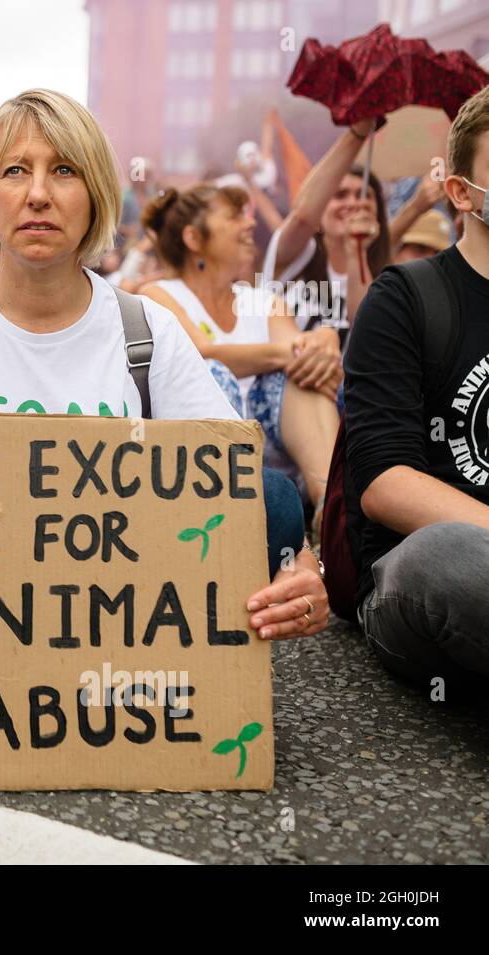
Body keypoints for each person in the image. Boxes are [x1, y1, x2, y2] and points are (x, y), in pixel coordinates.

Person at [0, 88, 328, 670]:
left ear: (97, 195)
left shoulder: (145, 331)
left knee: (273, 499)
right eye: (15, 170)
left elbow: (235, 483)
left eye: (65, 171)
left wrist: (299, 565)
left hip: (119, 603)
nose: (38, 195)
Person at [343, 84, 489, 694]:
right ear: (461, 193)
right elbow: (383, 481)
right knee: (451, 556)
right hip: (415, 580)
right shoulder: (406, 296)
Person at [139, 184, 341, 522]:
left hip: (282, 456)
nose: (250, 225)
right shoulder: (159, 294)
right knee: (213, 371)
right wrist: (302, 348)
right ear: (193, 239)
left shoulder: (266, 302)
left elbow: (302, 357)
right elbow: (202, 352)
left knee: (304, 375)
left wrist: (322, 344)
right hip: (212, 467)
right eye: (234, 217)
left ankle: (331, 510)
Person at [262, 119, 391, 338]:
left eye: (364, 196)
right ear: (319, 214)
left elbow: (366, 329)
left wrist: (356, 251)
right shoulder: (297, 258)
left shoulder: (388, 278)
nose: (353, 203)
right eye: (340, 195)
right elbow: (301, 217)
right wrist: (357, 133)